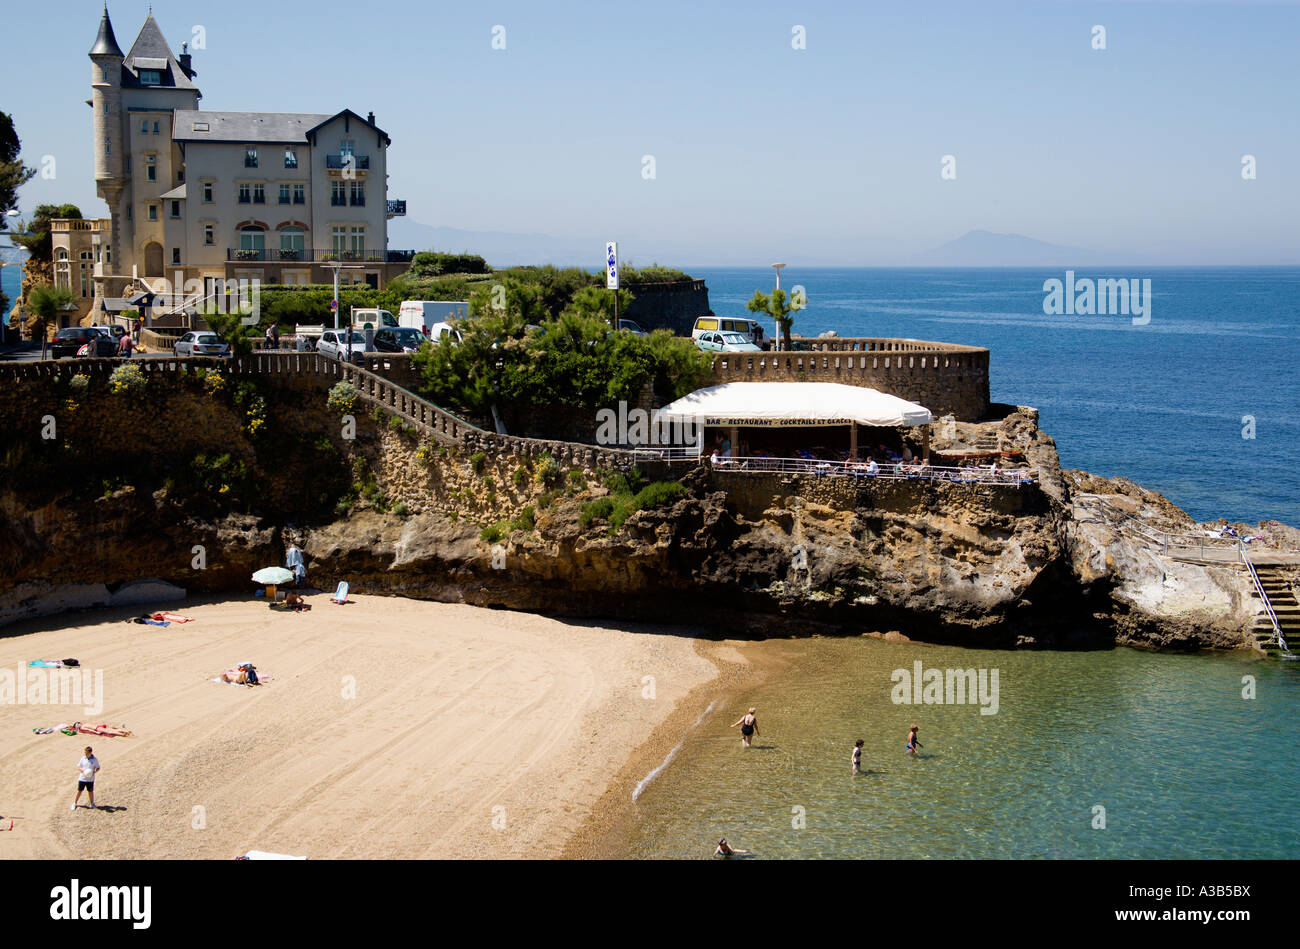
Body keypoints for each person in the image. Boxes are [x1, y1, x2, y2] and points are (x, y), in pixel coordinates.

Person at [72, 746, 100, 811]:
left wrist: (94, 771)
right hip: (82, 778)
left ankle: (92, 803)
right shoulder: (83, 758)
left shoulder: (94, 759)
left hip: (90, 779)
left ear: (90, 752)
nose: (85, 754)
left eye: (87, 753)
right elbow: (78, 766)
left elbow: (98, 767)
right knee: (79, 791)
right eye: (85, 752)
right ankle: (75, 803)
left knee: (90, 791)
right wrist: (82, 770)